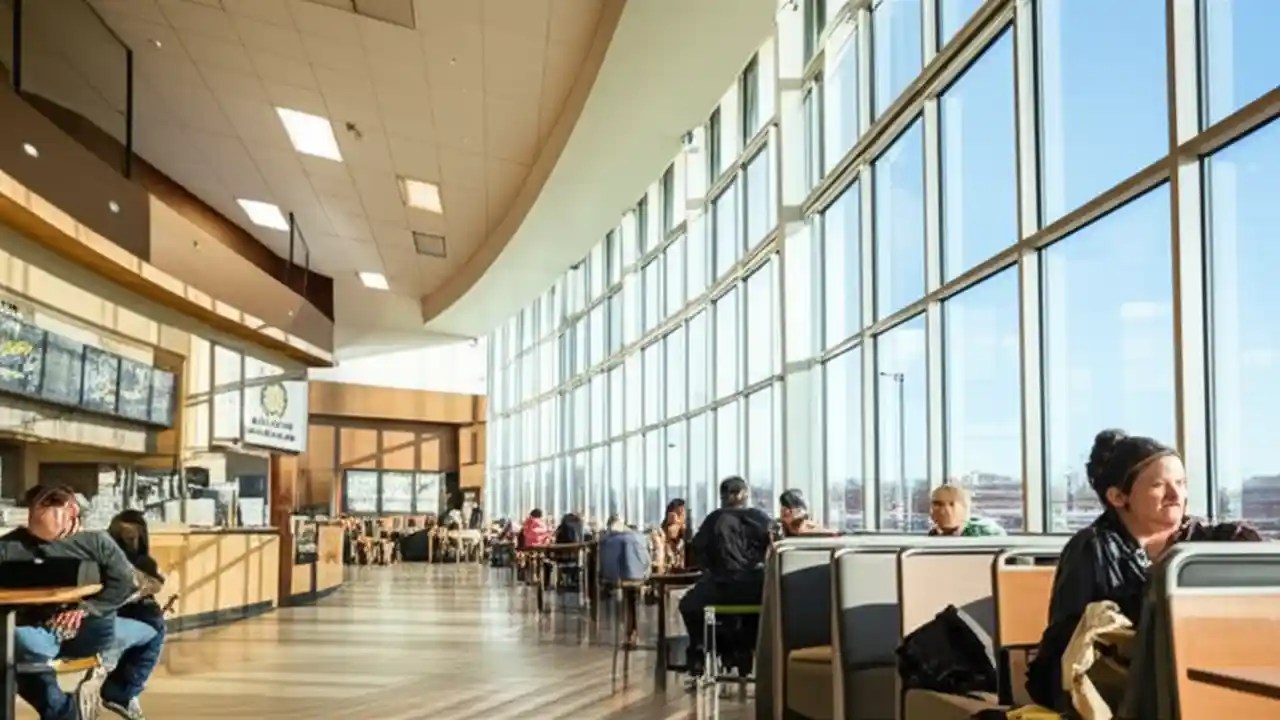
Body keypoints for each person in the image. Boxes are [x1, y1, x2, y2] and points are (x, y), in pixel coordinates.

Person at [1025, 430, 1261, 709]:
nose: (1175, 495)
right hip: (1129, 692)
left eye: (1181, 483)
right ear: (1118, 497)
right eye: (1158, 485)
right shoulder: (1092, 550)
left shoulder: (1216, 542)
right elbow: (1067, 647)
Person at [0, 486, 161, 720]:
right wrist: (88, 608)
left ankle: (68, 709)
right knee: (153, 627)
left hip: (39, 634)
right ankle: (115, 694)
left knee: (14, 653)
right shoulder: (97, 542)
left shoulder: (9, 546)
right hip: (66, 633)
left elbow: (127, 582)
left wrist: (84, 609)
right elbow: (128, 583)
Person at [679, 477, 773, 673]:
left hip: (721, 588)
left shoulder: (714, 519)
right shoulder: (761, 519)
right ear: (743, 494)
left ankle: (700, 648)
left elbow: (697, 550)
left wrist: (709, 568)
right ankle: (749, 647)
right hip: (755, 590)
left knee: (688, 605)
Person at [926, 485, 1006, 537]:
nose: (944, 511)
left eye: (951, 504)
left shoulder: (985, 533)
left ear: (965, 508)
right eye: (937, 504)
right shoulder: (934, 535)